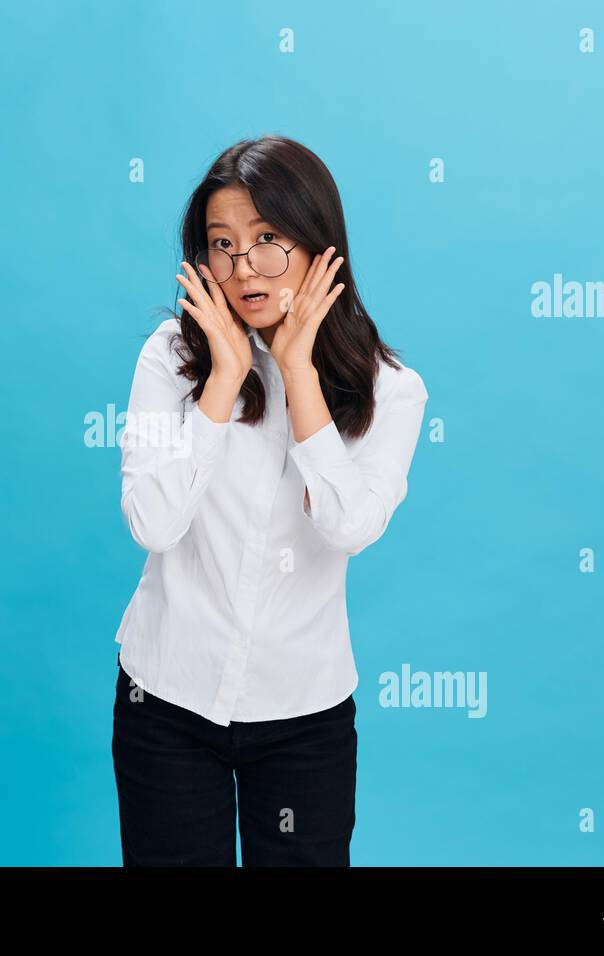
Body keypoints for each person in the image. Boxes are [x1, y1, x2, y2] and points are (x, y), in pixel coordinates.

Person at [111, 135, 430, 866]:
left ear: (321, 246)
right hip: (165, 703)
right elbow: (151, 523)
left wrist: (299, 375)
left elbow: (349, 525)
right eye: (221, 244)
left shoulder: (391, 389)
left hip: (302, 718)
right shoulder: (170, 357)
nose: (242, 267)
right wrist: (221, 385)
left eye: (267, 239)